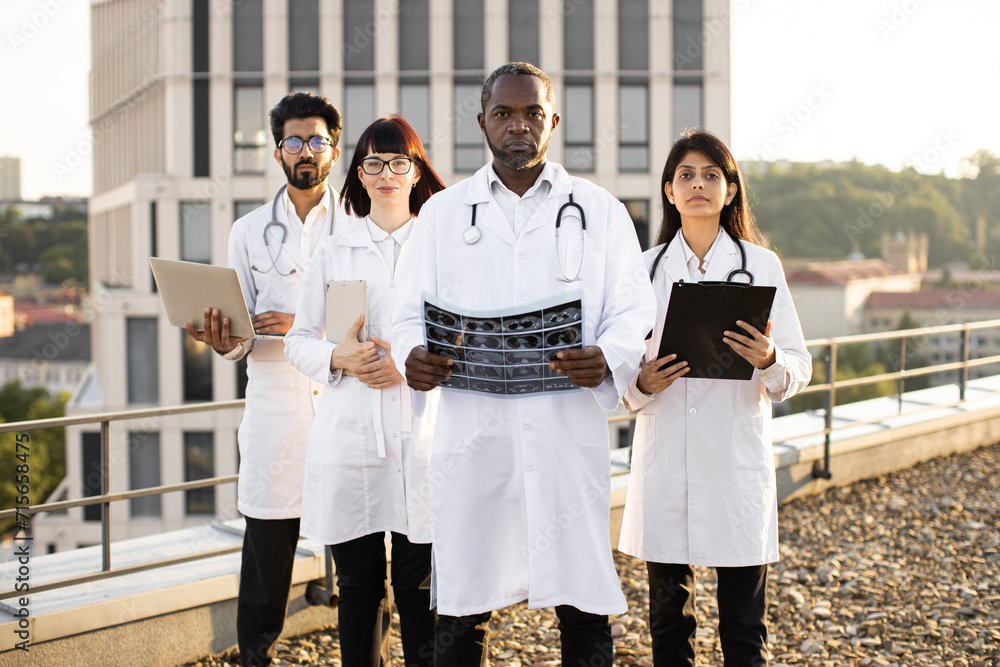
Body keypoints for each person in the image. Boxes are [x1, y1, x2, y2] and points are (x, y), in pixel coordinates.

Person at [391, 62, 656, 666]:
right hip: (472, 434)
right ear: (482, 122)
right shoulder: (442, 214)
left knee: (582, 599)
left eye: (532, 113)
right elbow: (406, 310)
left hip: (564, 428)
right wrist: (413, 355)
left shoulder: (599, 209)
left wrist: (608, 356)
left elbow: (633, 303)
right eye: (504, 114)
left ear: (553, 121)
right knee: (463, 604)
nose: (519, 125)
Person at [617, 129, 812, 667]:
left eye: (711, 175)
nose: (697, 184)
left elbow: (800, 366)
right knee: (668, 623)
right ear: (668, 190)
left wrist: (770, 359)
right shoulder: (643, 269)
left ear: (730, 190)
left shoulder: (762, 266)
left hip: (735, 462)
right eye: (686, 176)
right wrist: (641, 384)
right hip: (666, 458)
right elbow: (620, 369)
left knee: (745, 627)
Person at [182, 92, 343, 667]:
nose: (306, 151)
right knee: (267, 547)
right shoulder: (249, 231)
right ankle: (255, 653)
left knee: (359, 548)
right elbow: (242, 328)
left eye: (317, 140)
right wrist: (225, 341)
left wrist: (304, 325)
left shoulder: (358, 224)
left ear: (334, 148)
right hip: (276, 406)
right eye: (295, 141)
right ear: (278, 152)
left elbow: (372, 317)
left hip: (345, 401)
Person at [283, 115, 446, 667]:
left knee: (419, 586)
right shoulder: (335, 249)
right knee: (357, 587)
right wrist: (338, 356)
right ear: (358, 172)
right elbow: (299, 339)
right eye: (373, 163)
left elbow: (464, 335)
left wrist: (407, 364)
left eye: (398, 162)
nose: (385, 174)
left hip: (423, 434)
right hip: (352, 436)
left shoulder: (441, 245)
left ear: (416, 169)